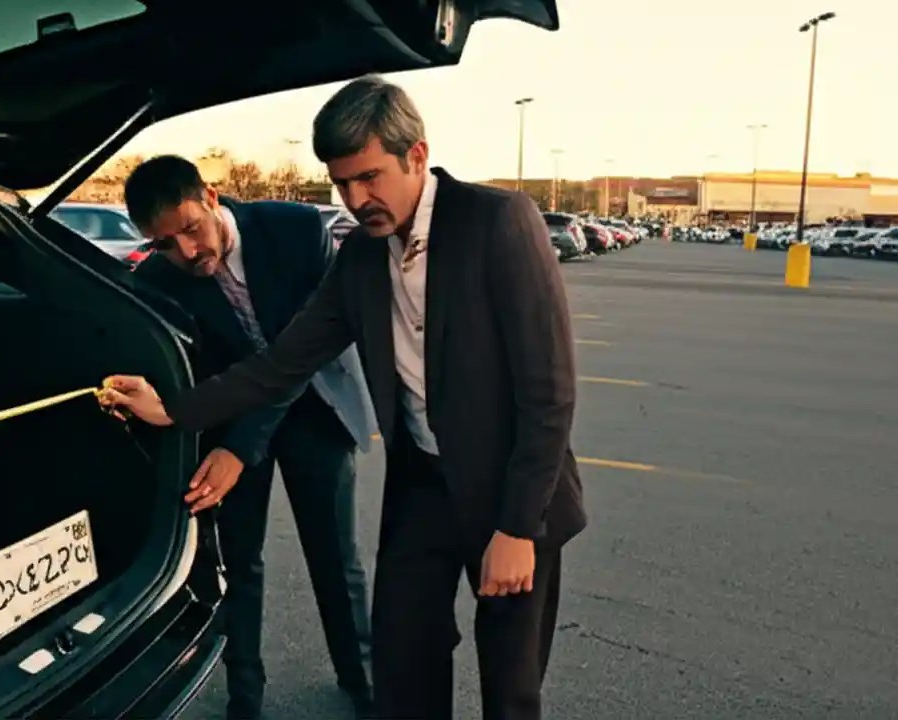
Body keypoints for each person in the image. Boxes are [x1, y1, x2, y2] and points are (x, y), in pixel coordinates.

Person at [101, 75, 587, 720]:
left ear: (417, 155)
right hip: (423, 488)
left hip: (510, 490)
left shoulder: (497, 222)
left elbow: (549, 393)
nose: (356, 200)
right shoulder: (360, 256)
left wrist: (518, 526)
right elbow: (282, 362)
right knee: (403, 659)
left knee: (510, 680)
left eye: (369, 177)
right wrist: (173, 409)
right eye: (341, 184)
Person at [121, 155, 377, 719]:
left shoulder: (297, 230)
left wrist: (240, 448)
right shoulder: (159, 279)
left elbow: (299, 355)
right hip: (228, 417)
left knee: (336, 560)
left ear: (212, 197)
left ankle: (362, 681)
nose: (187, 251)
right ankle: (245, 697)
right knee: (238, 562)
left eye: (191, 228)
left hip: (313, 406)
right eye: (164, 244)